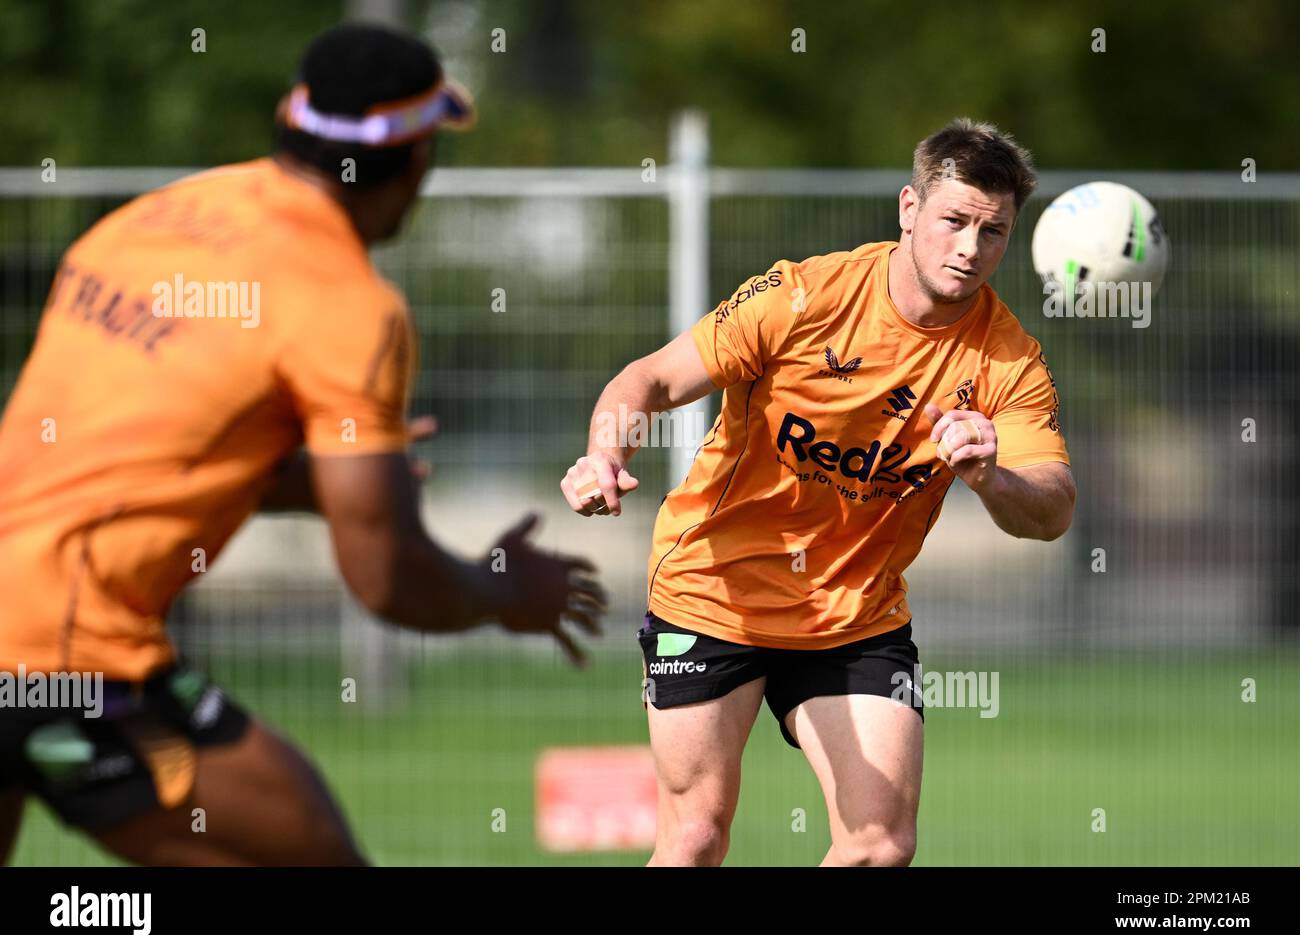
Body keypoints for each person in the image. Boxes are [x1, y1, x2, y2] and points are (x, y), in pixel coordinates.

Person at [0, 23, 603, 866]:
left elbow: (111, 450)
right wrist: (505, 591)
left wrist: (294, 483)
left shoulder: (149, 220)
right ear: (417, 160)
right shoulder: (350, 307)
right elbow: (389, 579)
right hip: (59, 660)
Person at [561, 119, 1075, 866]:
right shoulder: (803, 297)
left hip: (854, 613)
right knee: (697, 836)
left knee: (880, 845)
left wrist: (992, 477)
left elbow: (1054, 508)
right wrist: (606, 453)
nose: (970, 248)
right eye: (954, 221)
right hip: (714, 590)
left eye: (992, 231)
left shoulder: (1009, 361)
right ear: (909, 209)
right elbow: (652, 379)